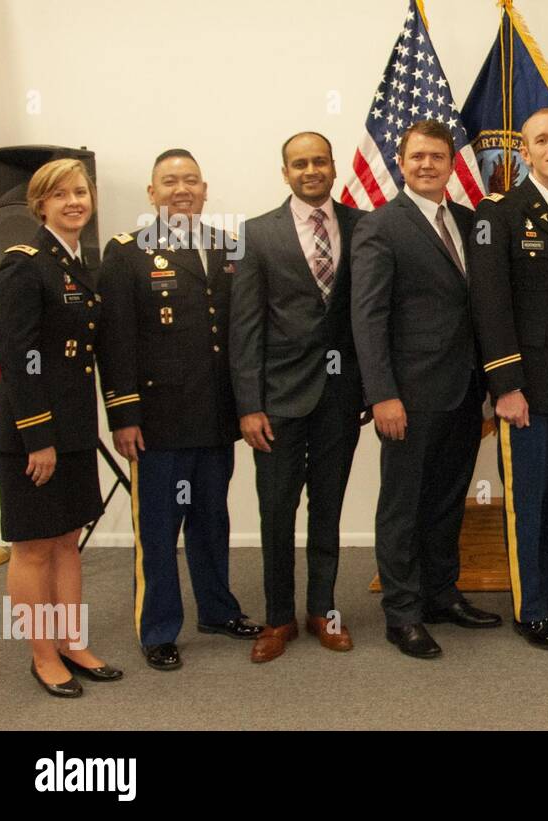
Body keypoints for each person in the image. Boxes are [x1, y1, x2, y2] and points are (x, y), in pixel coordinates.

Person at [98, 149, 260, 672]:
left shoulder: (227, 247)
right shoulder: (127, 253)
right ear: (152, 194)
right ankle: (159, 629)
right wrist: (123, 415)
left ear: (206, 189)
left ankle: (217, 610)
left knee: (213, 521)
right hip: (158, 423)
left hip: (215, 418)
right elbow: (115, 340)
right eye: (169, 181)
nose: (181, 189)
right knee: (159, 530)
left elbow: (238, 334)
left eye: (191, 180)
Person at [351, 120, 502, 661]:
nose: (427, 165)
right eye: (417, 156)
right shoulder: (380, 226)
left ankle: (442, 594)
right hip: (408, 397)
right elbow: (367, 319)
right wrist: (381, 394)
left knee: (445, 502)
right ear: (401, 160)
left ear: (451, 163)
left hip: (463, 389)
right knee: (403, 506)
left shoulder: (467, 219)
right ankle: (403, 613)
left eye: (437, 157)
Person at [0, 159, 122, 697]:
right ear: (40, 205)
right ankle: (44, 656)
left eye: (81, 192)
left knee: (67, 540)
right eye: (60, 194)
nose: (74, 201)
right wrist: (38, 437)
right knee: (34, 547)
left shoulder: (77, 262)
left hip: (72, 429)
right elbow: (18, 358)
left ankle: (72, 641)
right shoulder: (24, 264)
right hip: (30, 433)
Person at [468, 108, 548, 651]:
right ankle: (530, 608)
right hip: (526, 388)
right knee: (527, 500)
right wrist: (506, 386)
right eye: (540, 140)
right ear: (523, 153)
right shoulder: (497, 214)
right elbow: (489, 305)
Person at [230, 132, 366, 663]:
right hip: (278, 401)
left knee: (328, 509)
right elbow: (245, 328)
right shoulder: (256, 233)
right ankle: (279, 618)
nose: (311, 170)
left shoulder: (362, 226)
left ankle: (323, 610)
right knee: (277, 512)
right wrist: (248, 405)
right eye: (299, 163)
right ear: (284, 172)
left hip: (340, 396)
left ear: (334, 168)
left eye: (319, 161)